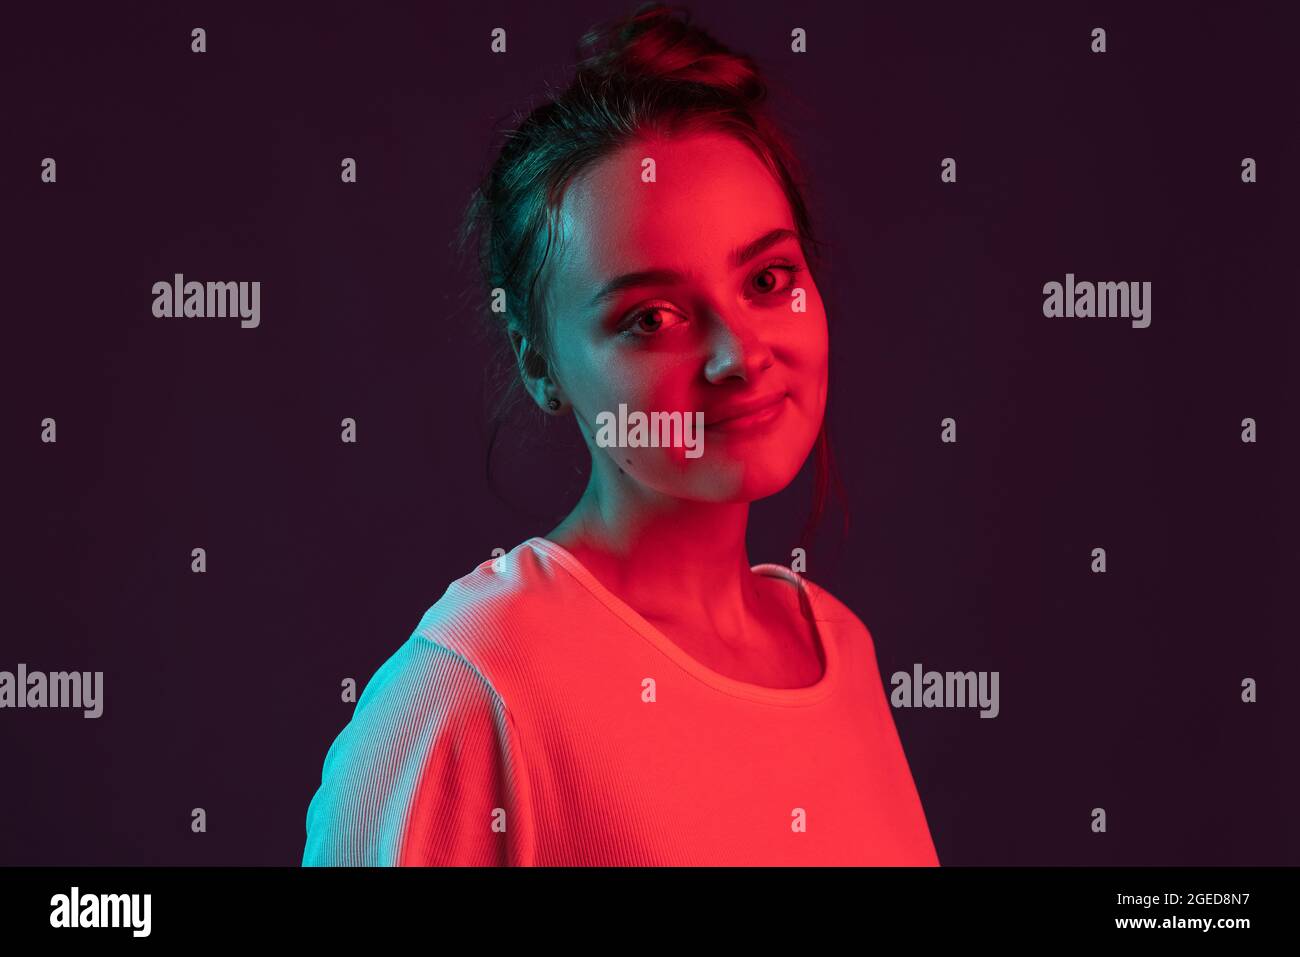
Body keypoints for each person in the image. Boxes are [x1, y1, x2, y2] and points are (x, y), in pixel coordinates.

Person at [303, 2, 939, 866]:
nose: (737, 354)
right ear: (541, 367)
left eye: (768, 277)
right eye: (650, 317)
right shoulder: (474, 693)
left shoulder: (841, 650)